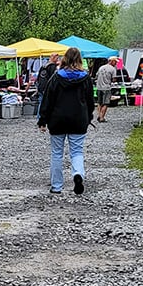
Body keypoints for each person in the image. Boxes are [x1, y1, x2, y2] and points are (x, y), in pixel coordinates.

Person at [37, 46, 95, 195]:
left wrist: (42, 119)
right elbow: (90, 101)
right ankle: (78, 175)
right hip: (78, 120)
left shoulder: (56, 77)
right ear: (79, 59)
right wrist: (89, 116)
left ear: (65, 59)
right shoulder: (86, 78)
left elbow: (48, 100)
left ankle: (56, 186)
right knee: (77, 152)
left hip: (58, 120)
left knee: (57, 153)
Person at [36, 52, 61, 118]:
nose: (58, 59)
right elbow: (54, 78)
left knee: (41, 102)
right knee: (48, 103)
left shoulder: (44, 66)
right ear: (54, 58)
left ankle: (39, 117)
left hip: (41, 86)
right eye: (57, 58)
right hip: (47, 87)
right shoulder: (53, 67)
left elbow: (38, 77)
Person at [95, 55, 118, 123]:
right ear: (111, 61)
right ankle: (102, 117)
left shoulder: (101, 67)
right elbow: (114, 79)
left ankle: (99, 115)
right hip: (106, 88)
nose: (116, 63)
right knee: (106, 103)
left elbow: (97, 76)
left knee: (99, 102)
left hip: (99, 87)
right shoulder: (113, 69)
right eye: (115, 62)